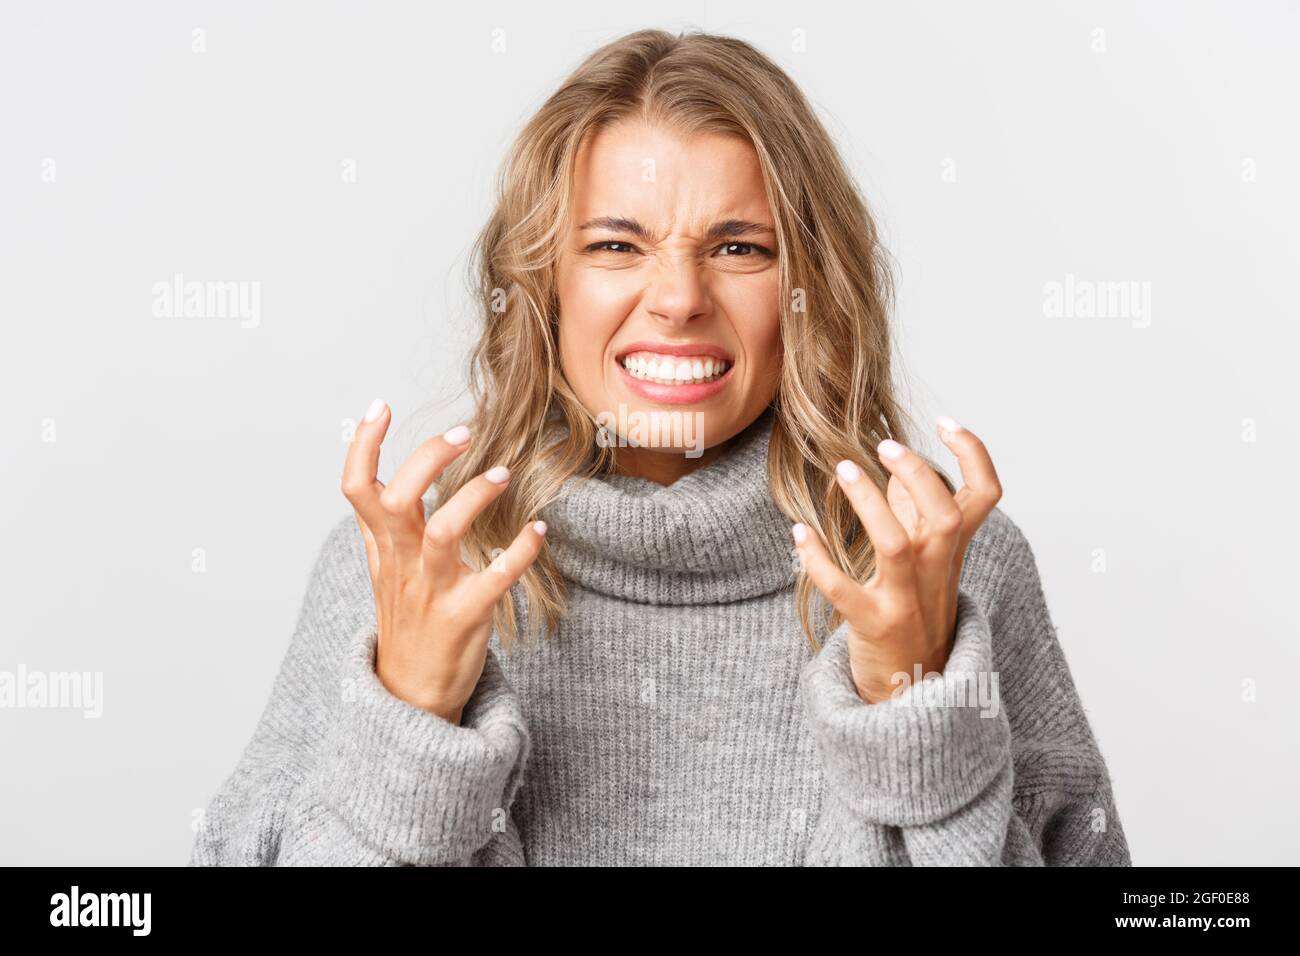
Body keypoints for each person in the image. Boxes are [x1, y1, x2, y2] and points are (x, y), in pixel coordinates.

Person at [190, 28, 1130, 866]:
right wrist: (410, 724)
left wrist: (917, 706)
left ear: (812, 287)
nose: (679, 297)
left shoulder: (943, 567)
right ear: (543, 285)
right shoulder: (409, 568)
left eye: (739, 249)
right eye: (614, 246)